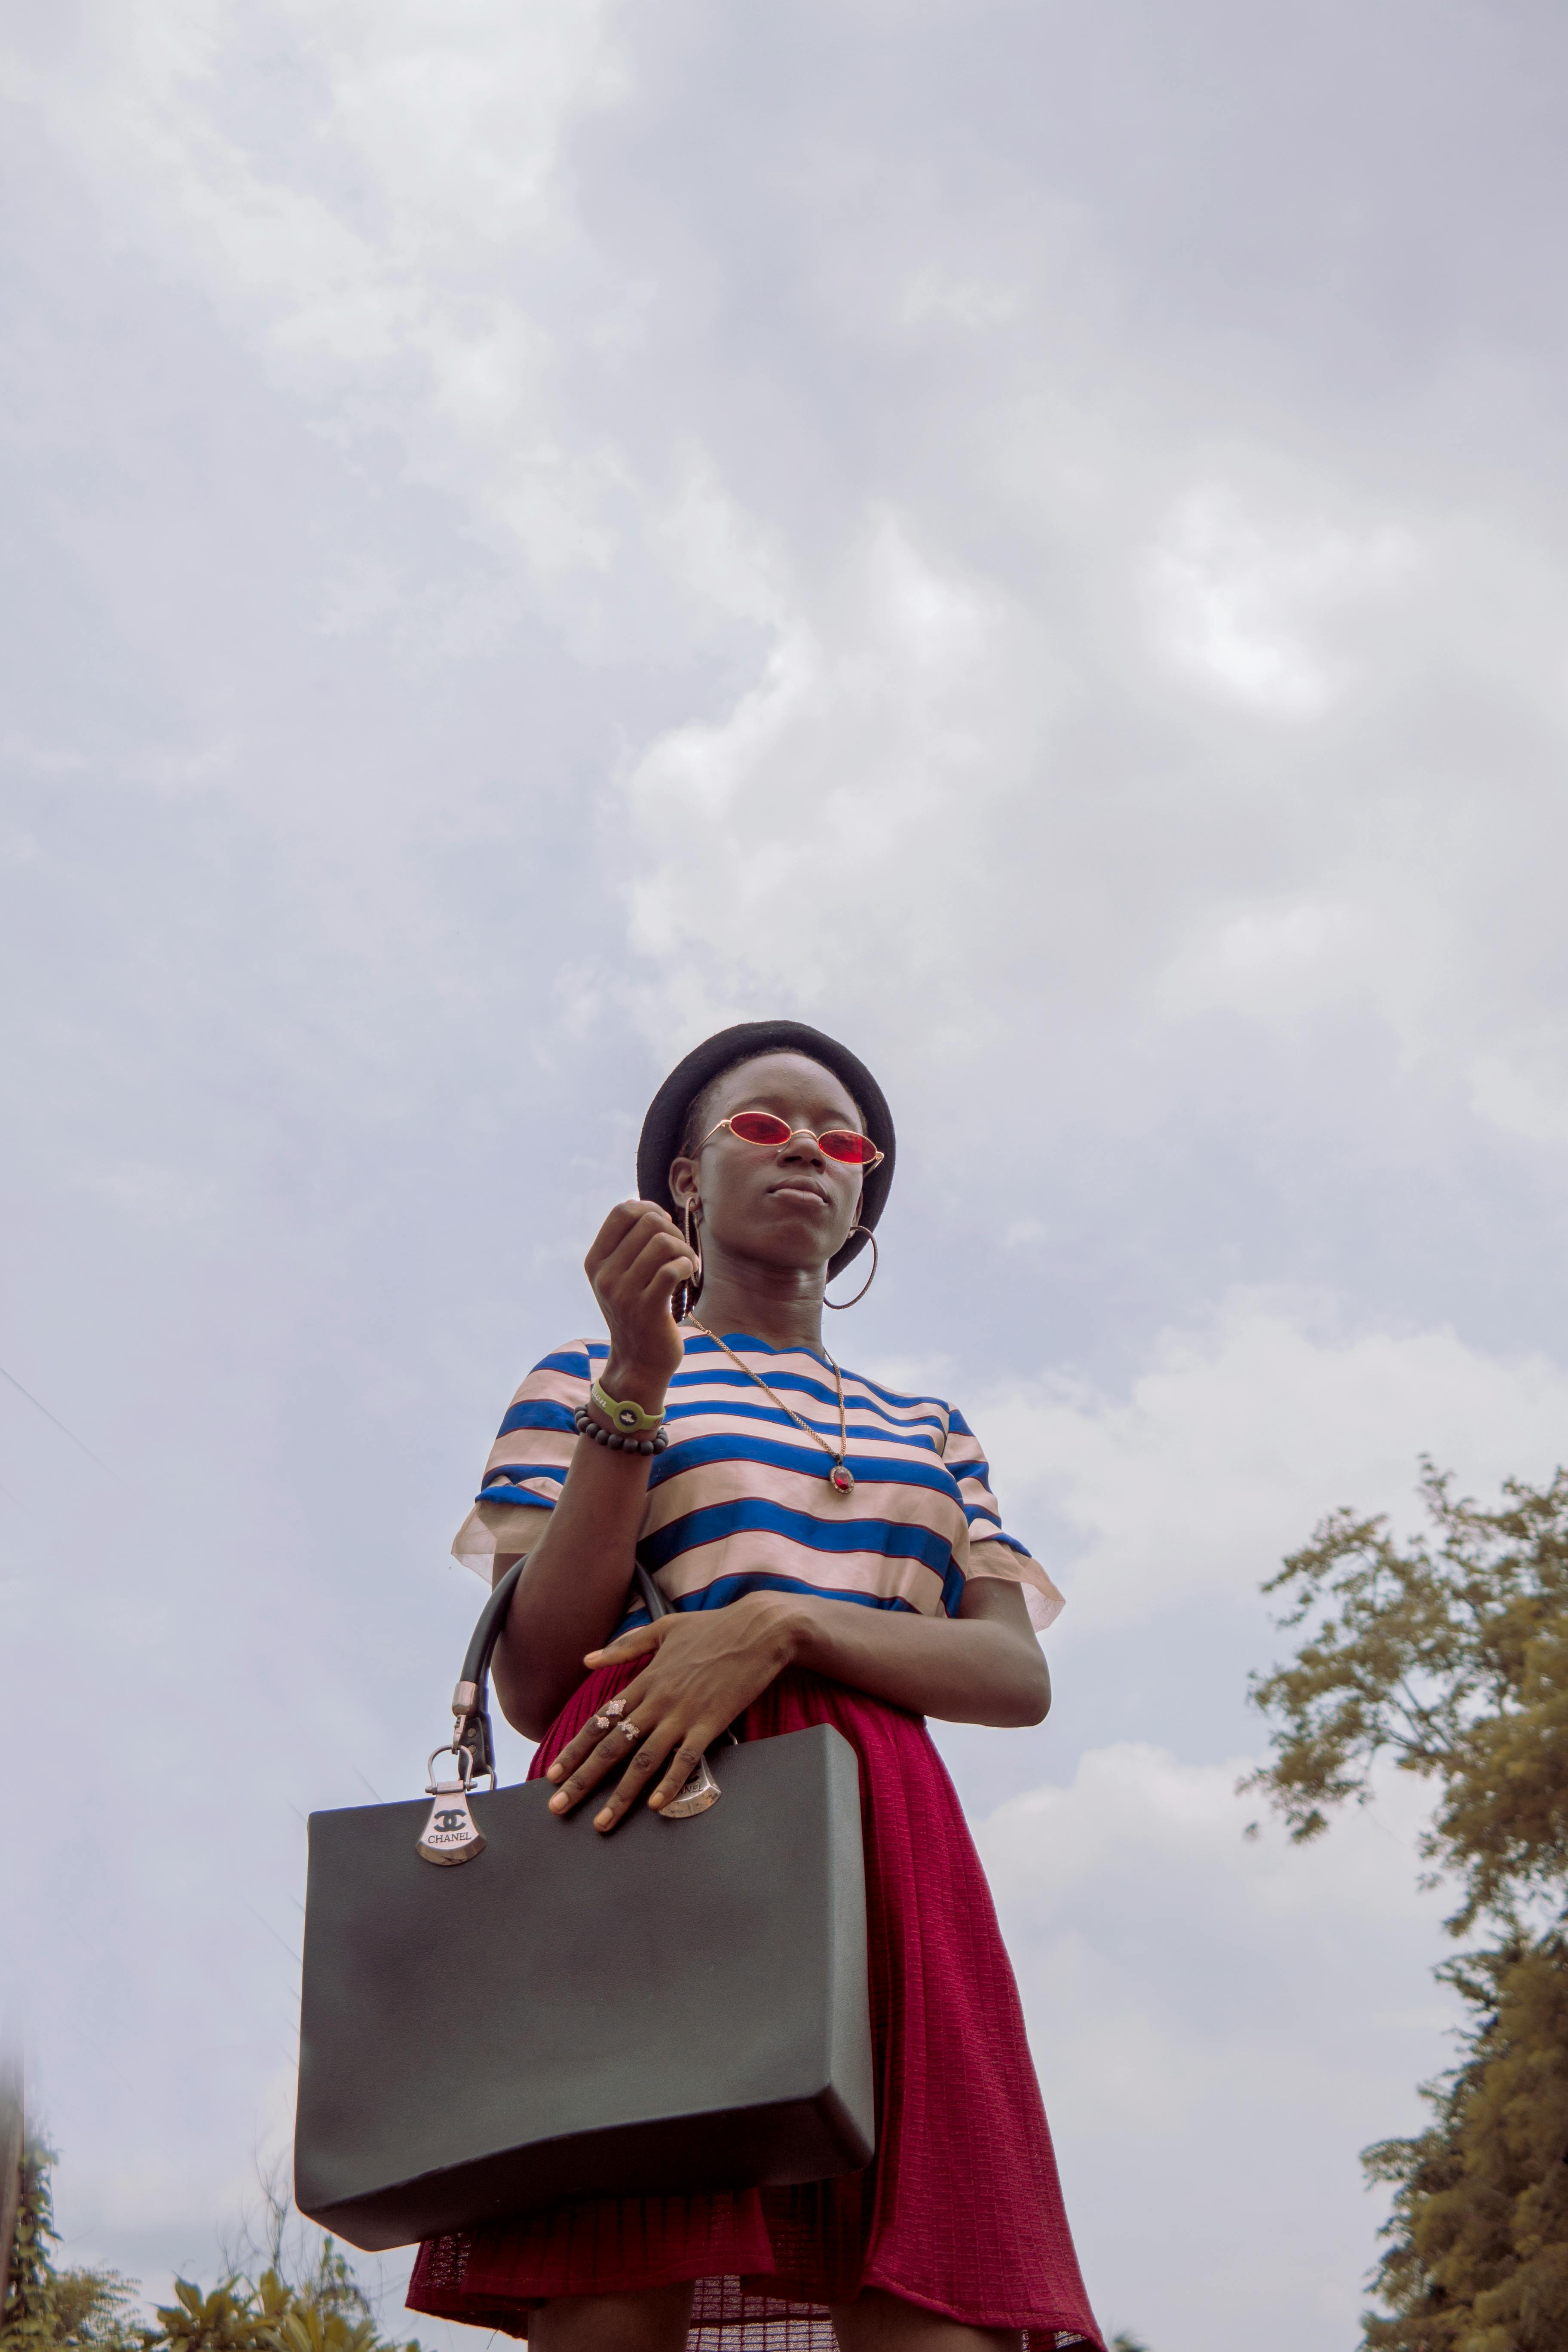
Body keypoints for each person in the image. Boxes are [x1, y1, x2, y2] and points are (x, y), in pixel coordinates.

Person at [407, 1021, 1103, 2352]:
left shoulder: (930, 1428)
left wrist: (783, 1625)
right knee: (618, 2279)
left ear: (861, 1202)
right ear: (683, 1179)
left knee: (925, 2292)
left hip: (881, 1836)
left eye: (843, 1143)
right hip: (639, 1810)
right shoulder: (581, 1374)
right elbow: (541, 1677)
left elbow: (1014, 1674)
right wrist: (635, 1383)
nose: (809, 1154)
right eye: (765, 1127)